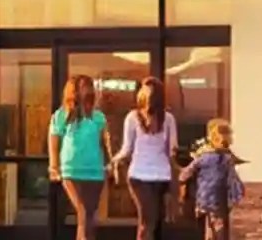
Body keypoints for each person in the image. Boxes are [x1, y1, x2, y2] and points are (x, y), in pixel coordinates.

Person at [110, 77, 178, 240]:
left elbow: (172, 149)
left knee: (153, 222)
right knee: (147, 221)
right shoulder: (132, 118)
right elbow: (127, 149)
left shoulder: (168, 119)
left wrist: (176, 177)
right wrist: (114, 161)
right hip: (139, 176)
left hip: (162, 176)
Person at [49, 75, 112, 240]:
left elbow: (105, 144)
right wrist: (54, 166)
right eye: (84, 86)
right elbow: (54, 143)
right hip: (71, 171)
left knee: (89, 218)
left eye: (90, 87)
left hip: (95, 172)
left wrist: (111, 165)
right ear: (74, 90)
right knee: (83, 212)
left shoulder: (98, 117)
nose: (88, 90)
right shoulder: (61, 115)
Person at [179, 119, 241, 240]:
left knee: (208, 229)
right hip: (218, 202)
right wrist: (235, 197)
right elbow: (233, 180)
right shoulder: (227, 160)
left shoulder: (202, 157)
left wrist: (181, 180)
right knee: (219, 230)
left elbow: (185, 174)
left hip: (202, 201)